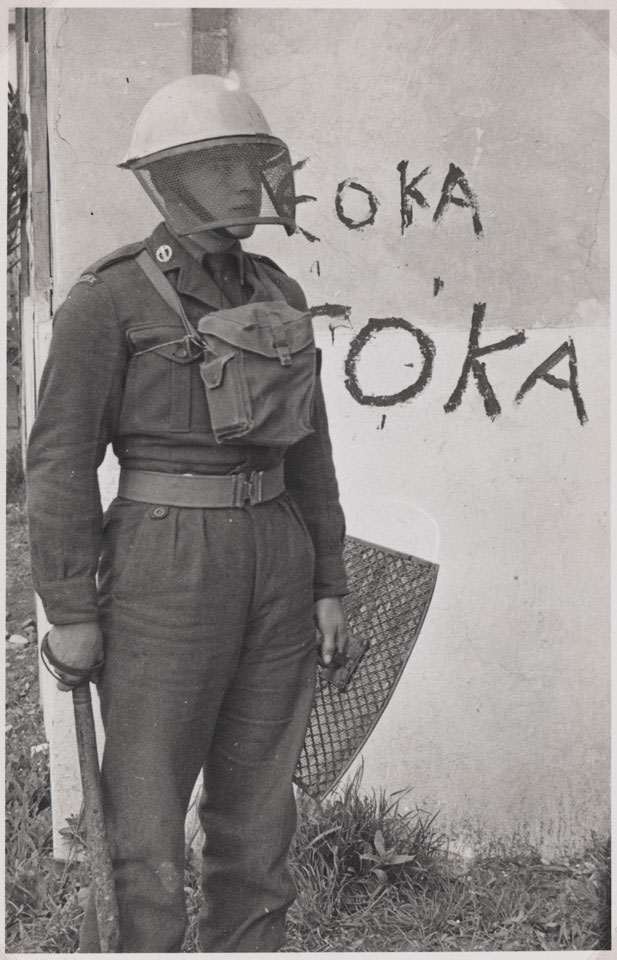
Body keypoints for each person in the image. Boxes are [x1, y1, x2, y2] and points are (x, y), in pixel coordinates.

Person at [26, 73, 348, 953]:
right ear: (169, 181)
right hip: (165, 570)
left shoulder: (279, 294)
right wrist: (73, 612)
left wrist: (327, 578)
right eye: (221, 166)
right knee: (145, 816)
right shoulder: (110, 300)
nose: (246, 184)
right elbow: (57, 463)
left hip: (276, 562)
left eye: (253, 163)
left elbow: (309, 450)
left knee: (258, 810)